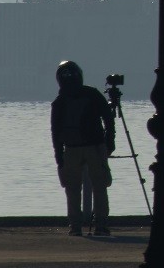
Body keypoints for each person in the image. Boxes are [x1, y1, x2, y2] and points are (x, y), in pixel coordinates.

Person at [50, 60, 115, 236]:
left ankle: (75, 226)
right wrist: (110, 141)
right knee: (100, 187)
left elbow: (55, 132)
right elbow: (108, 118)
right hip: (95, 147)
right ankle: (100, 225)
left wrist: (59, 157)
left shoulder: (59, 102)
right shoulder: (92, 94)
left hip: (70, 149)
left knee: (72, 190)